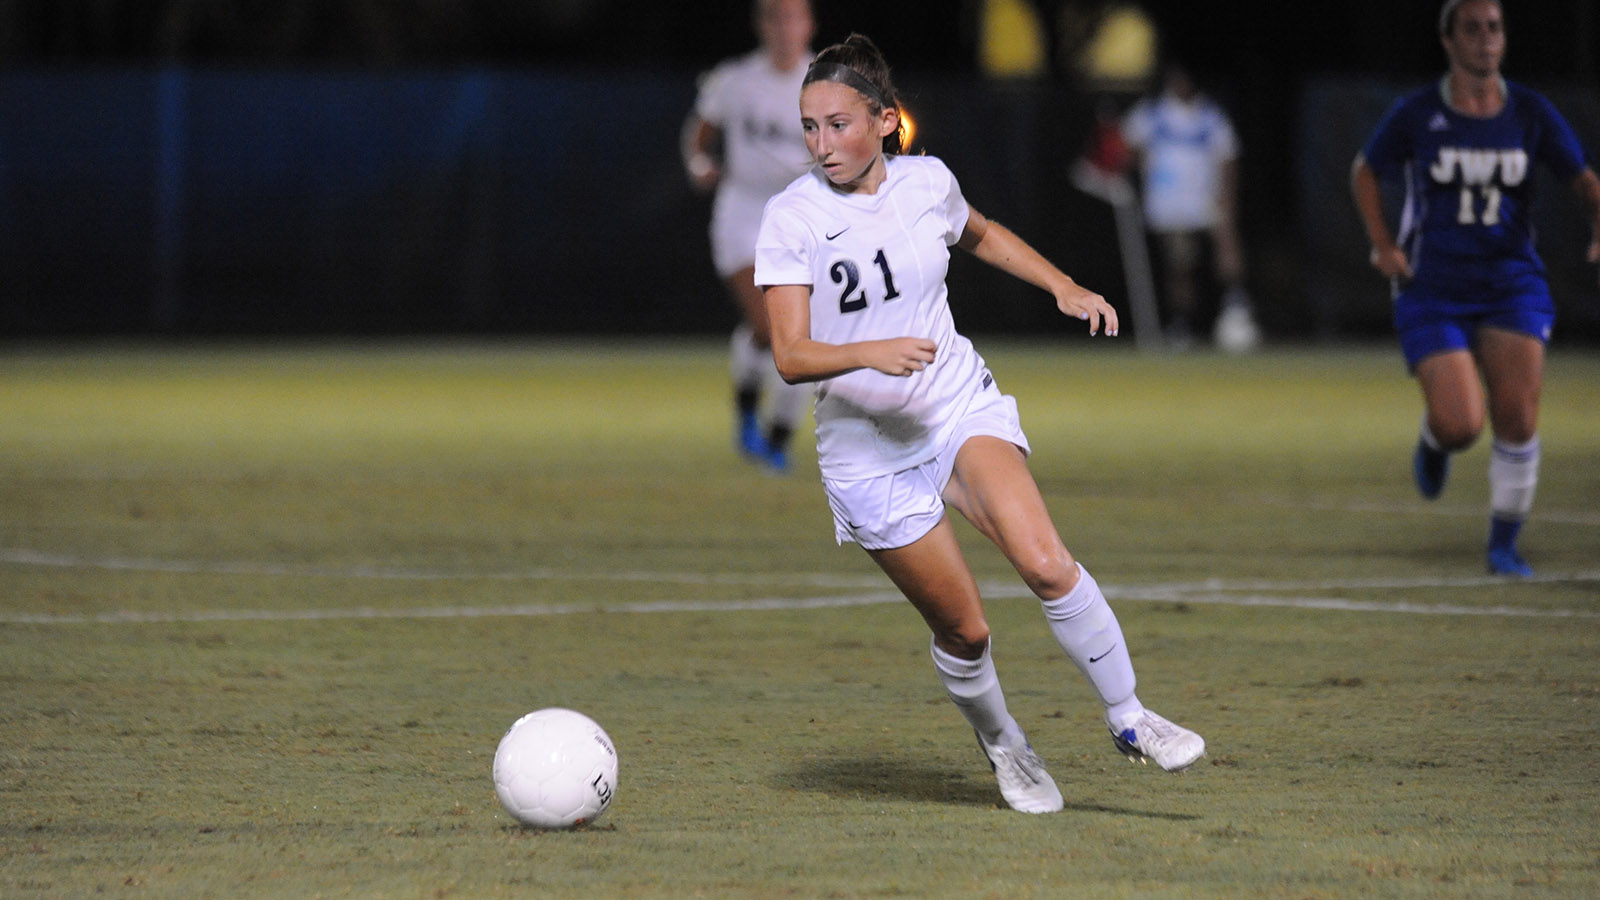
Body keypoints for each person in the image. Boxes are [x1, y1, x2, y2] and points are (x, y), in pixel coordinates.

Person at [754, 33, 1205, 814]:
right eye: (809, 126)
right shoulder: (790, 218)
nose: (821, 145)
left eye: (839, 124)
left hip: (955, 406)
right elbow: (791, 356)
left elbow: (983, 234)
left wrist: (1062, 285)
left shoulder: (928, 183)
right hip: (868, 454)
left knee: (1046, 561)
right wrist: (872, 350)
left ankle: (1131, 718)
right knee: (966, 631)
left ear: (885, 121)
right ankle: (1006, 747)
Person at [1350, 0, 1600, 576]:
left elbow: (1583, 179)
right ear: (1448, 40)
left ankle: (1503, 545)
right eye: (1473, 28)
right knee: (1462, 424)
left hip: (1511, 281)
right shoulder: (1419, 112)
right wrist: (1383, 244)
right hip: (1432, 285)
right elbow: (1366, 171)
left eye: (1495, 27)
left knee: (1517, 416)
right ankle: (1436, 440)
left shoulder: (1530, 111)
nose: (1487, 39)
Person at [682, 0, 818, 472]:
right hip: (742, 215)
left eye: (793, 16)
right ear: (761, 25)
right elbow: (698, 135)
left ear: (808, 24)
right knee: (770, 326)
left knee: (799, 336)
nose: (784, 27)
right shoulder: (734, 79)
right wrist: (700, 165)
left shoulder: (826, 81)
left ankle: (776, 438)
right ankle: (749, 416)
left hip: (803, 220)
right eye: (774, 17)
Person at [1120, 60, 1259, 351]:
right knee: (1180, 264)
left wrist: (1227, 199)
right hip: (1168, 202)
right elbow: (1125, 148)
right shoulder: (1152, 114)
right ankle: (1182, 323)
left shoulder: (1209, 116)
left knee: (1226, 241)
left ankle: (1236, 304)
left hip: (1204, 197)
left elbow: (1229, 159)